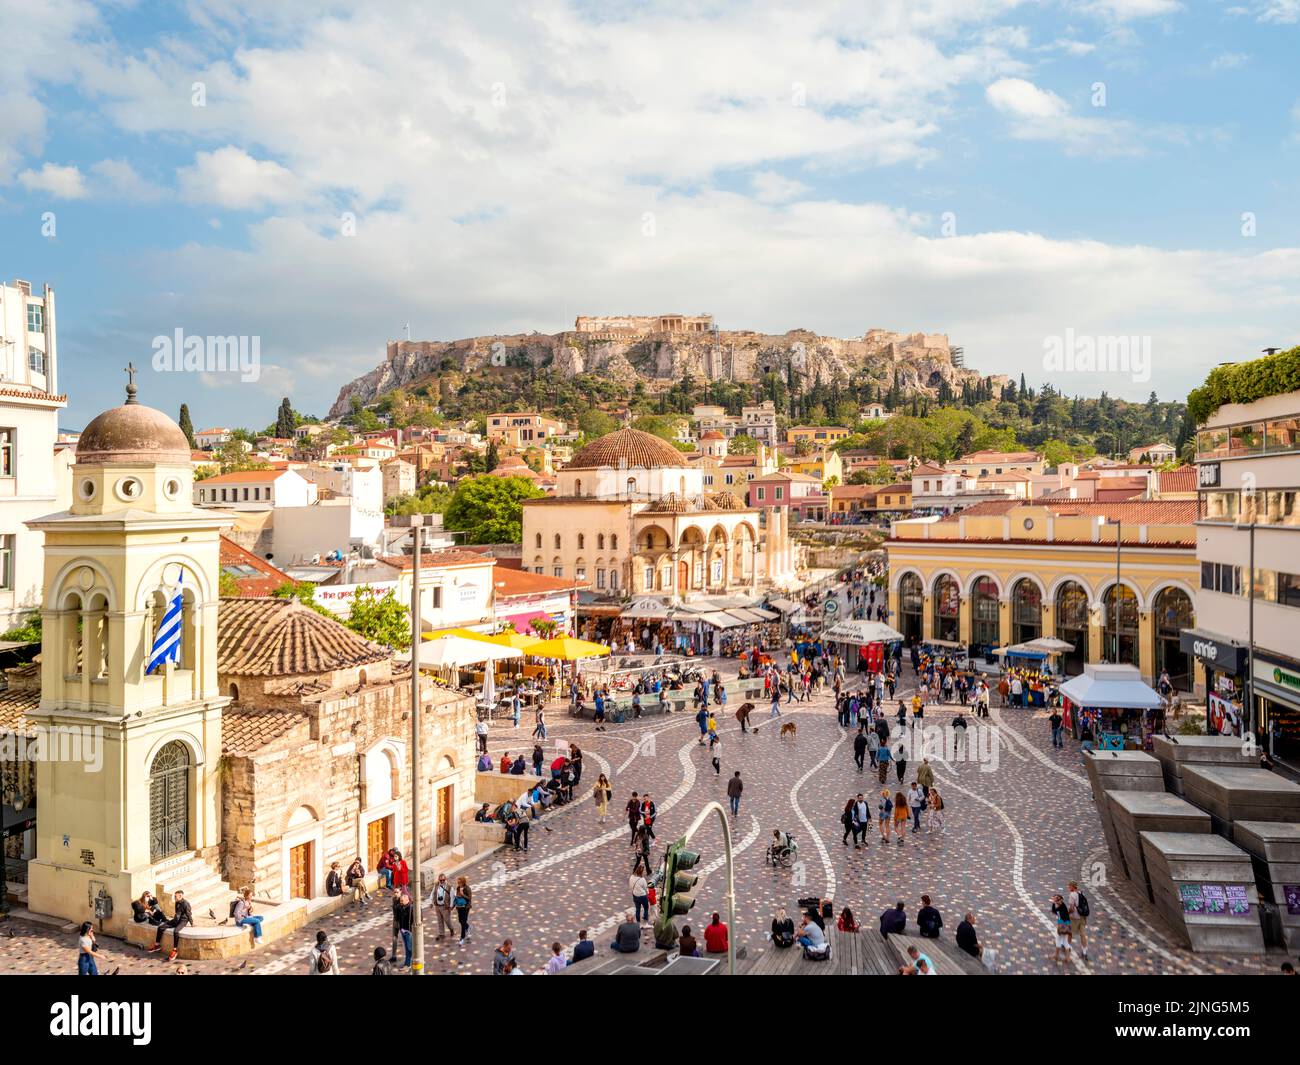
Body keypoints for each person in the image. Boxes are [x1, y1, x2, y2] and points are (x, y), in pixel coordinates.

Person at [149, 889, 193, 961]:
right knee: (160, 927)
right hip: (176, 920)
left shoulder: (186, 903)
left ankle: (175, 950)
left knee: (176, 931)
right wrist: (174, 920)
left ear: (180, 896)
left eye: (176, 896)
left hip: (183, 920)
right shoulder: (176, 902)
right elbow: (177, 913)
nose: (174, 898)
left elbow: (188, 913)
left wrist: (192, 923)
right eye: (174, 896)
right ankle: (157, 945)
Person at [1067, 880, 1090, 961]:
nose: (1068, 887)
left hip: (1074, 918)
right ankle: (1084, 952)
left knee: (1070, 933)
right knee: (1082, 935)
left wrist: (1067, 913)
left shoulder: (1072, 895)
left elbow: (1072, 908)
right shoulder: (1081, 893)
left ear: (1073, 887)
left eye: (1069, 886)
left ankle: (1067, 947)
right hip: (1082, 917)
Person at [430, 873, 455, 940]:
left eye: (443, 880)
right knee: (439, 920)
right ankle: (441, 934)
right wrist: (431, 902)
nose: (442, 881)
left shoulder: (449, 887)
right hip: (437, 906)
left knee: (447, 920)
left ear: (445, 879)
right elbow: (432, 893)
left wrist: (451, 906)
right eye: (440, 880)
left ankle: (451, 929)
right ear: (438, 880)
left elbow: (452, 897)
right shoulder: (436, 885)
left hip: (445, 906)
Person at [392, 889, 413, 968]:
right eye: (400, 901)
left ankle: (408, 964)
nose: (400, 902)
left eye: (402, 901)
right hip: (402, 930)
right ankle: (408, 962)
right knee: (407, 946)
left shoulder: (411, 908)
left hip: (408, 931)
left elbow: (418, 918)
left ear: (407, 900)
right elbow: (396, 917)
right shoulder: (399, 907)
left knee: (409, 948)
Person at [1050, 894, 1072, 963]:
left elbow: (1061, 917)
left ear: (1060, 901)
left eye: (1056, 900)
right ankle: (1067, 957)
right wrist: (1053, 904)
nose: (1056, 902)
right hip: (1067, 925)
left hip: (1063, 926)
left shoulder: (1061, 908)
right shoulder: (1062, 906)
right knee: (1064, 941)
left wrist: (1059, 926)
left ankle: (1056, 955)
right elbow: (1054, 911)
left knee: (1058, 940)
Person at [454, 876, 473, 944]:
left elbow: (469, 898)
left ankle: (462, 938)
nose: (458, 884)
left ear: (463, 882)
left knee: (463, 922)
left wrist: (462, 895)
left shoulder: (467, 889)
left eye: (460, 882)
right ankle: (468, 927)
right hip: (459, 907)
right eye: (458, 882)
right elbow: (457, 895)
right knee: (460, 920)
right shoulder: (458, 888)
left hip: (466, 907)